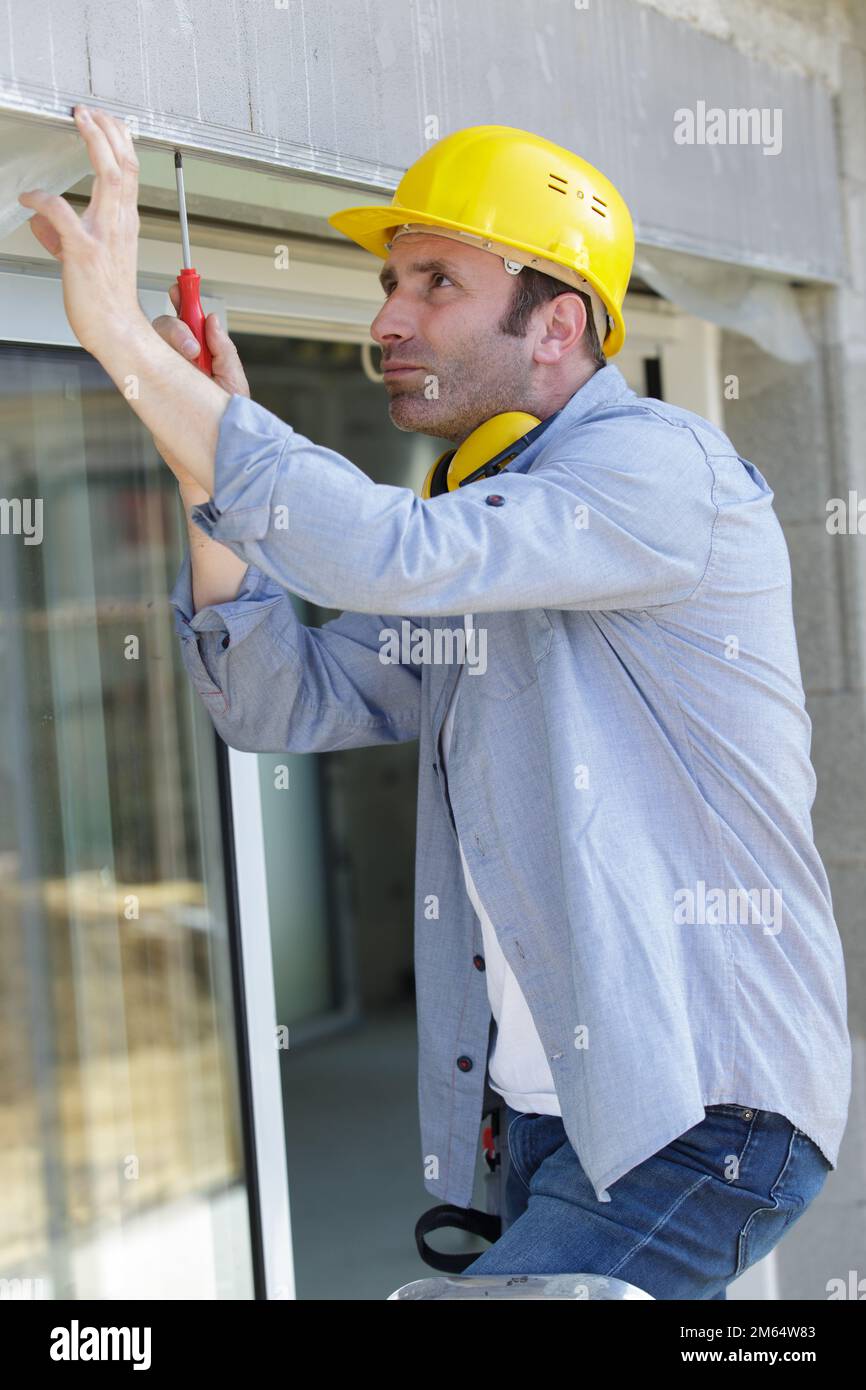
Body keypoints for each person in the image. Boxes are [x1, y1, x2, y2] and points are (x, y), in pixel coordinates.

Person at [19, 109, 851, 1300]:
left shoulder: (665, 472)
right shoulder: (485, 532)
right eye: (388, 280)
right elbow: (281, 700)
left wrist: (127, 349)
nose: (385, 319)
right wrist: (204, 465)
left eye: (434, 282)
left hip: (697, 1108)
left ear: (555, 322)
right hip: (543, 1118)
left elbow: (387, 552)